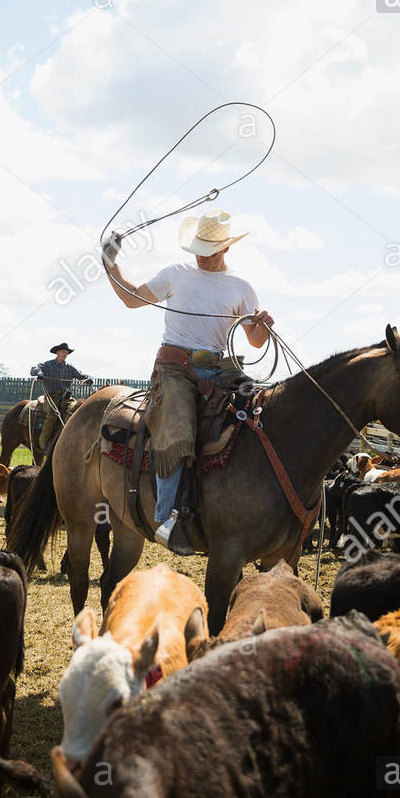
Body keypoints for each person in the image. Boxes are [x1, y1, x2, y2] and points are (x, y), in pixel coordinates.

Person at [102, 210, 273, 555]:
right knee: (178, 430)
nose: (200, 255)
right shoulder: (176, 274)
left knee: (259, 414)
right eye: (198, 248)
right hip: (174, 368)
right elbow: (131, 298)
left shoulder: (241, 288)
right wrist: (110, 263)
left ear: (224, 248)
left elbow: (254, 340)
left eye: (208, 249)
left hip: (219, 369)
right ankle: (166, 519)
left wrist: (264, 326)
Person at [29, 343, 91, 450]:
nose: (65, 354)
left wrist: (88, 378)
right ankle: (44, 444)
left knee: (76, 410)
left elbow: (81, 375)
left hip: (66, 397)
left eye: (66, 352)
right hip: (51, 396)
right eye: (63, 352)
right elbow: (34, 368)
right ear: (57, 352)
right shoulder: (48, 365)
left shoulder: (70, 367)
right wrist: (39, 373)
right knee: (52, 415)